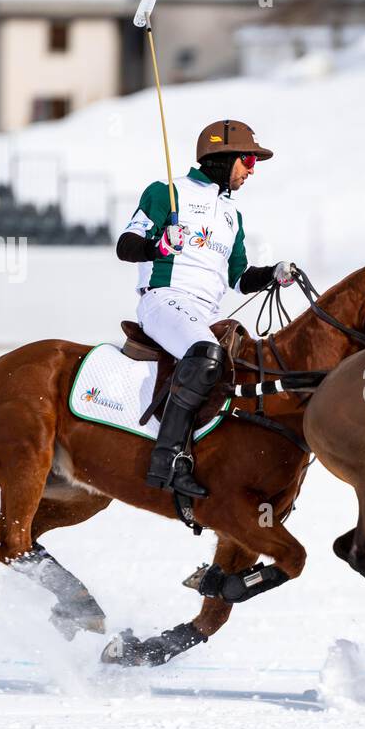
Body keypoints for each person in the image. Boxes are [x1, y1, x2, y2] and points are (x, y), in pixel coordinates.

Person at [116, 119, 301, 499]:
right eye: (248, 160)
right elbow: (125, 246)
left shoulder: (233, 216)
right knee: (206, 355)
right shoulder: (167, 193)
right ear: (222, 157)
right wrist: (158, 248)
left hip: (203, 313)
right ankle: (166, 460)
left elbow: (239, 277)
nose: (252, 170)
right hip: (164, 299)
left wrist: (273, 273)